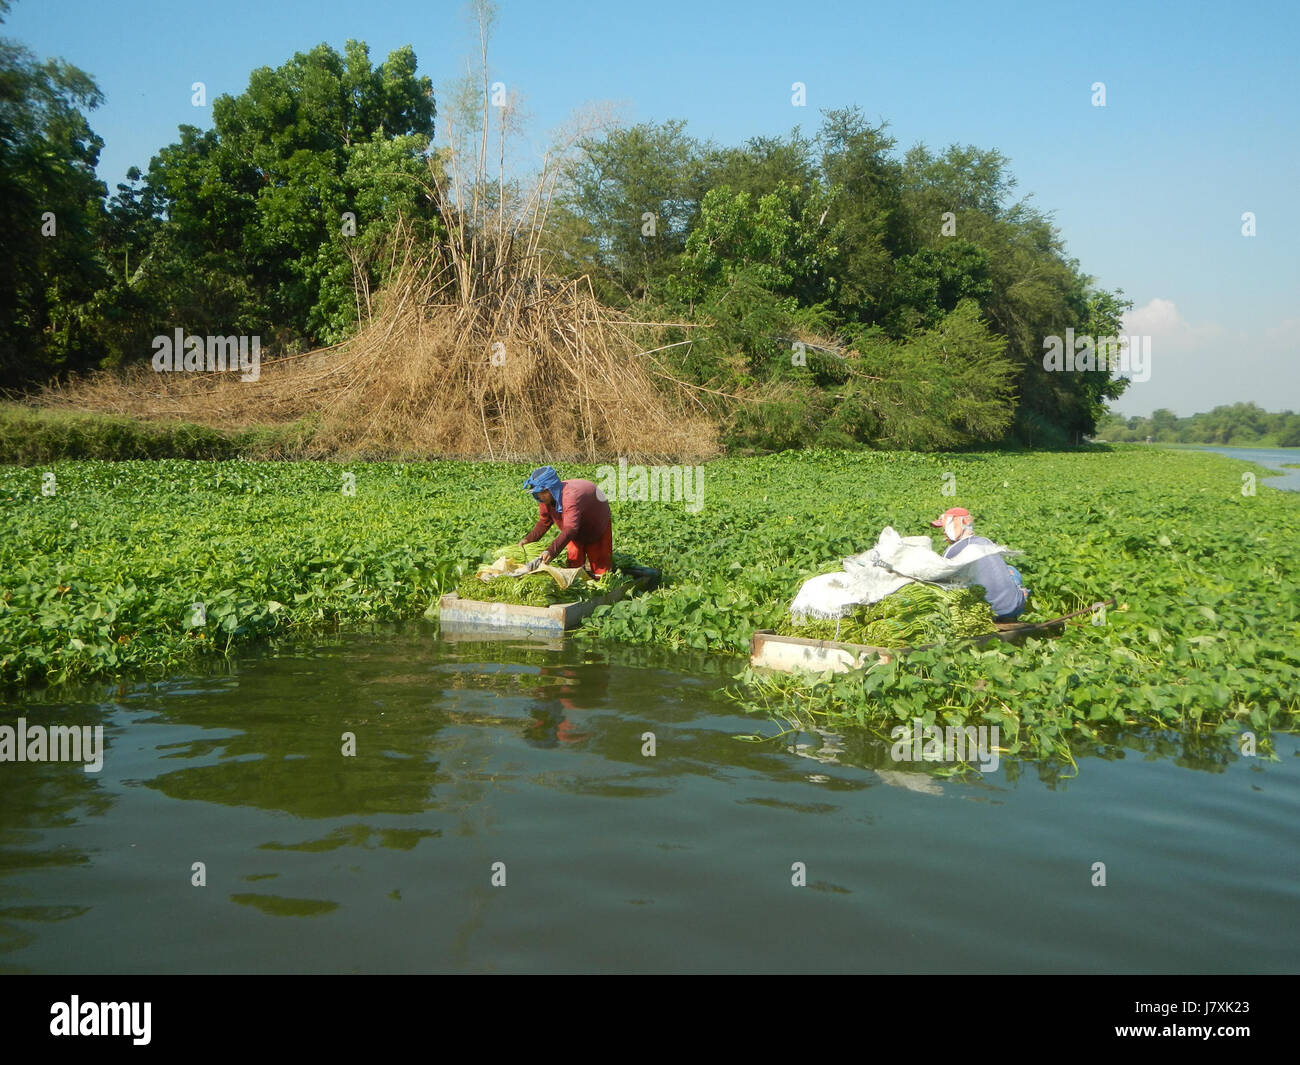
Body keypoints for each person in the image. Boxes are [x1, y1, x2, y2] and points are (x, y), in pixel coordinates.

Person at [930, 507, 1028, 621]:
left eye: (945, 528)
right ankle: (1010, 608)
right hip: (1016, 605)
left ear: (954, 525)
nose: (943, 533)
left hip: (989, 611)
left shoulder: (954, 550)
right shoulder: (985, 541)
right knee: (1010, 570)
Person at [519, 466, 613, 576]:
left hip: (595, 522)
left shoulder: (570, 496)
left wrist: (551, 551)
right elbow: (544, 522)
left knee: (600, 564)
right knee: (574, 562)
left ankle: (602, 589)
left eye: (542, 492)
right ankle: (579, 585)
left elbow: (570, 529)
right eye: (536, 494)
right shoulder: (544, 499)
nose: (539, 497)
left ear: (551, 489)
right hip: (572, 526)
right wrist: (528, 540)